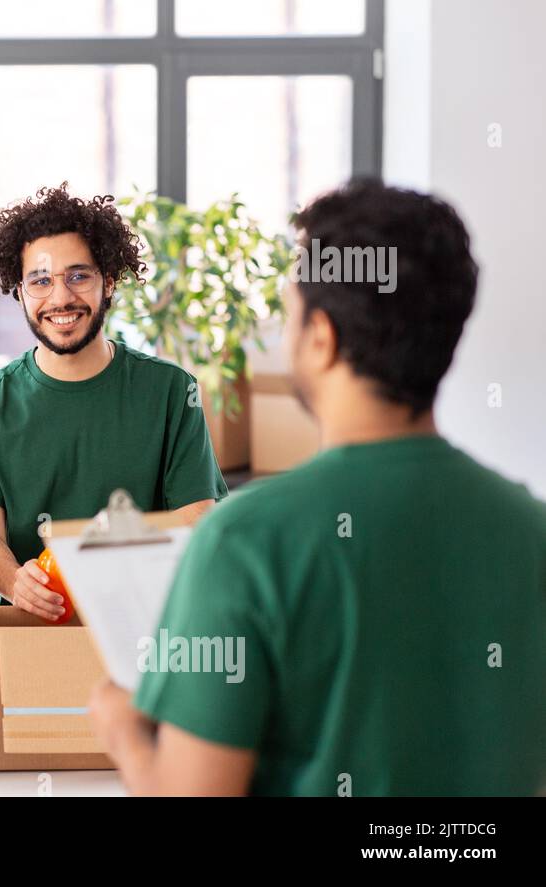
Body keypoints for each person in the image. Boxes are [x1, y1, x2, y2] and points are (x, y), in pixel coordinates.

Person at [89, 179, 546, 796]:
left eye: (289, 314)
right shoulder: (529, 528)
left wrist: (121, 728)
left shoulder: (247, 540)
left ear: (322, 337)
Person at [0, 184, 227, 620]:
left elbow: (196, 517)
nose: (60, 298)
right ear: (20, 291)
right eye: (40, 281)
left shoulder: (171, 392)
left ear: (109, 281)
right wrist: (15, 581)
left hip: (142, 630)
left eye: (78, 276)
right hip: (27, 632)